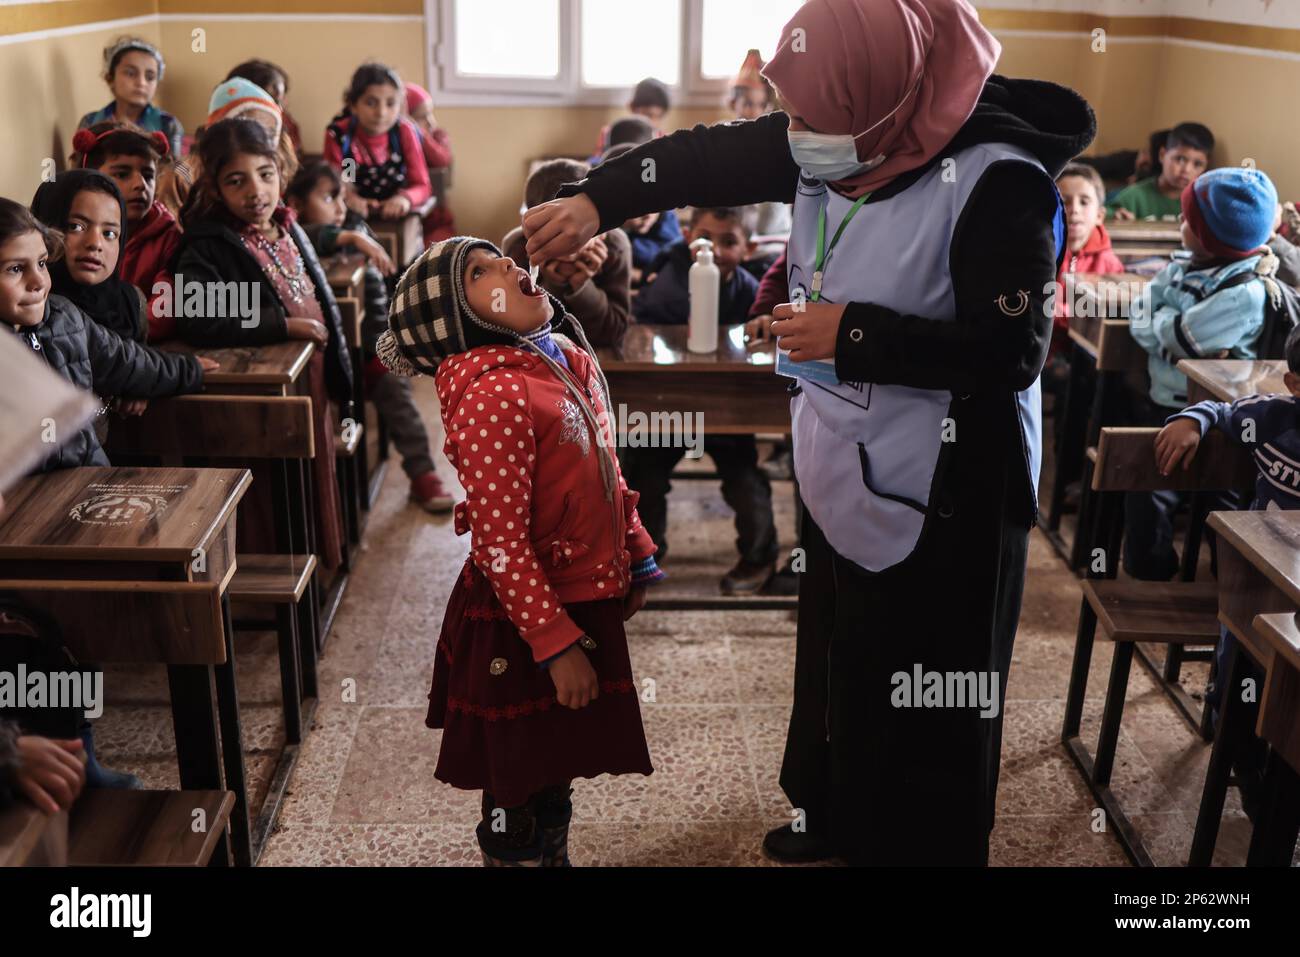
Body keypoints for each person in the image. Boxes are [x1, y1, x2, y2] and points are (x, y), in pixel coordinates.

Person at [523, 0, 1091, 865]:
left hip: (953, 485)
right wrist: (599, 197)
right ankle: (830, 808)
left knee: (928, 681)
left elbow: (1013, 350)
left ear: (883, 96)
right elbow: (703, 155)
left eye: (809, 117)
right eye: (791, 114)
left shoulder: (999, 182)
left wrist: (852, 333)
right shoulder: (844, 128)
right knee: (842, 649)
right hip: (847, 449)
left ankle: (916, 844)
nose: (793, 135)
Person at [375, 237, 663, 866]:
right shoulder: (491, 397)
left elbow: (605, 469)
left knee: (555, 762)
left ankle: (550, 855)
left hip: (577, 595)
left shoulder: (558, 357)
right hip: (524, 620)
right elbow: (500, 545)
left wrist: (634, 548)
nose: (507, 265)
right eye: (479, 272)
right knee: (516, 778)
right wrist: (556, 645)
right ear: (460, 317)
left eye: (497, 258)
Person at [173, 119, 353, 570]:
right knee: (279, 490)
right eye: (237, 180)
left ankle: (319, 563)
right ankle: (285, 573)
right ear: (215, 187)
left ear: (281, 171)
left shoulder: (285, 225)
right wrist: (284, 326)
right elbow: (198, 313)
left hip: (310, 379)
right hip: (274, 389)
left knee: (315, 473)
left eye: (265, 174)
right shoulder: (211, 243)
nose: (256, 191)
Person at [1124, 166, 1279, 581]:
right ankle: (1153, 575)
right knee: (1149, 491)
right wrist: (1164, 328)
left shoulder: (1246, 292)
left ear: (1211, 237)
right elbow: (1144, 310)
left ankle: (1227, 587)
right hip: (1166, 401)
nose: (1179, 223)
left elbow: (1180, 338)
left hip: (1220, 418)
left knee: (1221, 501)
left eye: (1188, 220)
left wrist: (1162, 326)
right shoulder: (1185, 264)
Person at [285, 160, 453, 512]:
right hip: (327, 357)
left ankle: (422, 473)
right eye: (329, 198)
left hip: (374, 348)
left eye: (342, 198)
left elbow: (390, 280)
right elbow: (309, 238)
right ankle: (336, 494)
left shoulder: (354, 226)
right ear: (297, 206)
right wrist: (347, 237)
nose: (340, 208)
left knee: (398, 400)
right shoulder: (292, 239)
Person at [502, 159, 632, 348]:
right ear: (532, 228)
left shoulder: (615, 245)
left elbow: (614, 334)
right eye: (553, 233)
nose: (569, 247)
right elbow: (519, 335)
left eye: (578, 232)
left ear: (598, 224)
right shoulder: (518, 247)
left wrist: (582, 287)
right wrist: (554, 285)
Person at [72, 122, 179, 339]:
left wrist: (106, 338)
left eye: (148, 175)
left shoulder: (169, 236)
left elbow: (163, 312)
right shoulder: (71, 231)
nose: (140, 184)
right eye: (122, 174)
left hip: (143, 350)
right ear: (89, 177)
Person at [324, 63, 432, 232]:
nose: (381, 112)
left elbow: (422, 185)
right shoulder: (341, 136)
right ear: (353, 105)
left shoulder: (404, 132)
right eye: (371, 102)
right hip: (353, 221)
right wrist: (350, 197)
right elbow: (341, 182)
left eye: (390, 103)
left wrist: (405, 199)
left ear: (401, 106)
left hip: (399, 220)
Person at [77, 36, 183, 158]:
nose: (141, 83)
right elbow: (79, 167)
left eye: (150, 77)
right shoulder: (90, 121)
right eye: (130, 73)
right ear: (110, 78)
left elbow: (173, 171)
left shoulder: (168, 124)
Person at [1107, 122, 1213, 221]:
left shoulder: (1203, 204)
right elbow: (1103, 215)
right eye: (1180, 159)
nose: (1187, 170)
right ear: (1162, 155)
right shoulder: (1133, 197)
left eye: (1198, 164)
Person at [403, 82, 457, 245]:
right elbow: (348, 171)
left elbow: (441, 160)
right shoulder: (344, 136)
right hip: (407, 217)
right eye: (422, 117)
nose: (431, 122)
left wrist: (416, 131)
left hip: (434, 219)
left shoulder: (437, 135)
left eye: (430, 113)